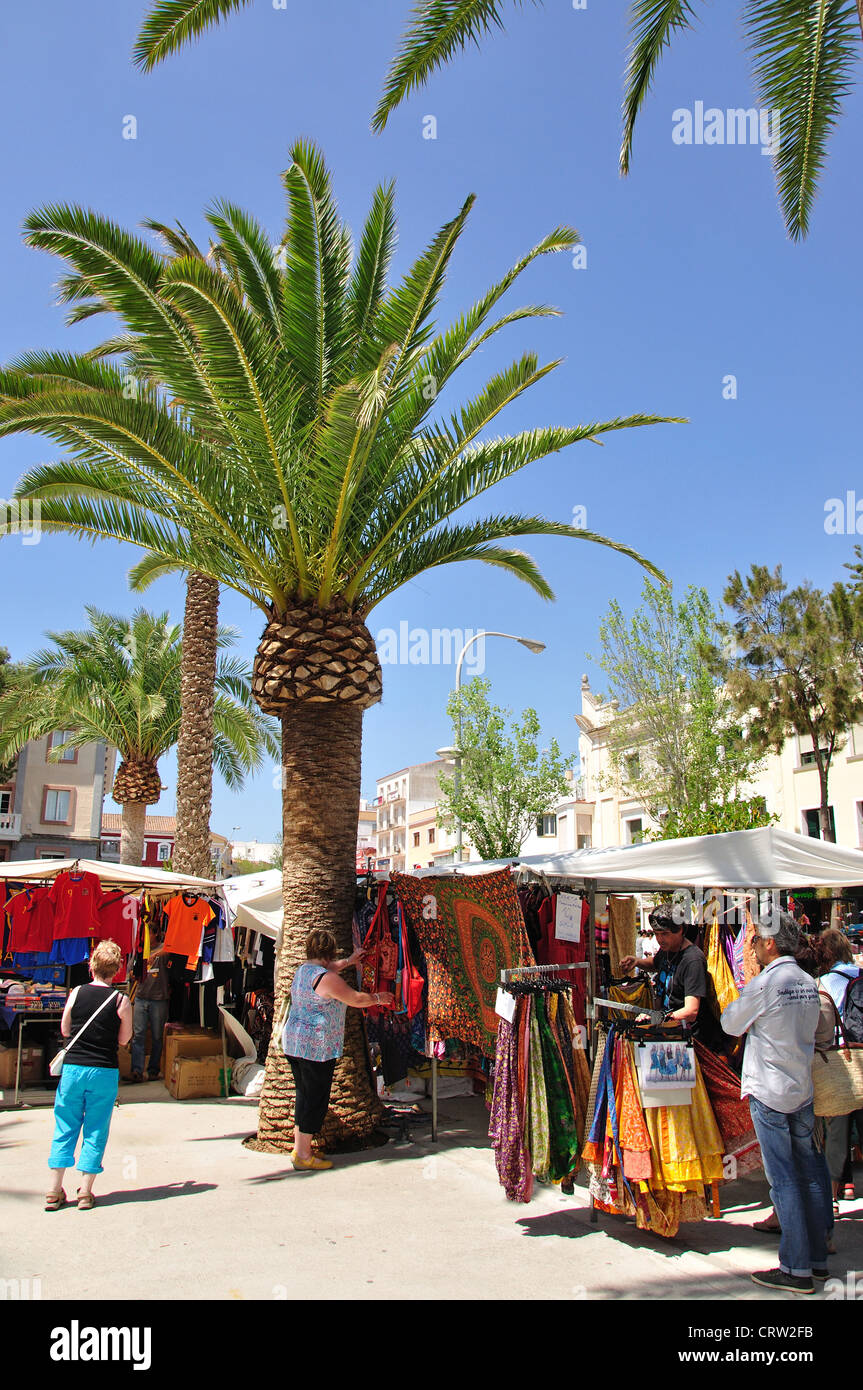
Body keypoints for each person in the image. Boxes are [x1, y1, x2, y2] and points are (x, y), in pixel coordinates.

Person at [721, 910, 832, 1294]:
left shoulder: (767, 983)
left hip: (770, 1090)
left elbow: (729, 1023)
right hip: (801, 1088)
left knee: (783, 1180)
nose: (752, 946)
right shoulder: (806, 980)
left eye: (755, 940)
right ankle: (816, 1261)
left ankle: (796, 1268)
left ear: (769, 943)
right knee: (809, 1174)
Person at [281, 929, 393, 1171]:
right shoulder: (327, 978)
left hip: (295, 1043)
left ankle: (301, 1147)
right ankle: (303, 1155)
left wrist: (350, 961)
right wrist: (379, 998)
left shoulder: (304, 971)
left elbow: (329, 969)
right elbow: (355, 998)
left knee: (304, 1095)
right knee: (315, 1099)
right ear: (329, 951)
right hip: (315, 1047)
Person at [45, 940, 132, 1211]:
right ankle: (85, 1191)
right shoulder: (121, 1000)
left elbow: (65, 1030)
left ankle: (53, 1190)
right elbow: (124, 1039)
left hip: (73, 1068)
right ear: (117, 970)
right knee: (96, 1129)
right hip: (104, 1071)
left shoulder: (76, 992)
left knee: (65, 1126)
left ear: (91, 965)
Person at [814, 928, 863, 1207]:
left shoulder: (823, 982)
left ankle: (835, 1195)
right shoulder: (860, 974)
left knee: (837, 1127)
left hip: (840, 1060)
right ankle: (845, 1186)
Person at [619, 906, 718, 1044]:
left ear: (680, 930)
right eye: (656, 933)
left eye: (665, 934)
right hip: (668, 1032)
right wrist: (637, 962)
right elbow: (655, 963)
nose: (660, 939)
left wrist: (656, 1018)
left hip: (688, 1039)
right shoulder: (667, 949)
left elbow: (691, 1011)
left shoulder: (692, 960)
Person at [127, 927, 169, 1083]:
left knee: (157, 1036)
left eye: (148, 933)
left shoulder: (161, 948)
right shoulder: (139, 950)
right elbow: (130, 972)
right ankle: (137, 1070)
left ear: (155, 933)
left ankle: (153, 1070)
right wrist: (138, 970)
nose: (146, 937)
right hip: (141, 997)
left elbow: (169, 948)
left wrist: (152, 956)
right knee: (138, 1035)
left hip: (159, 998)